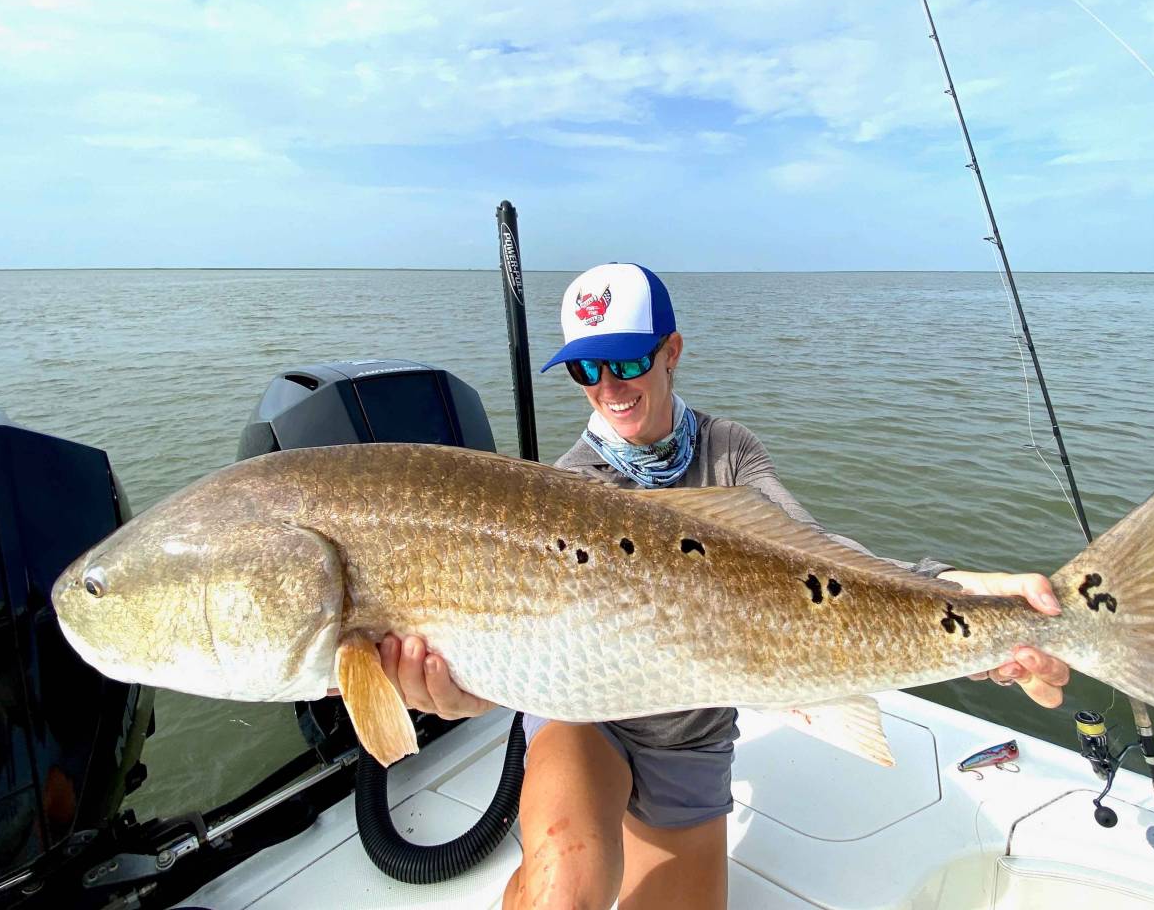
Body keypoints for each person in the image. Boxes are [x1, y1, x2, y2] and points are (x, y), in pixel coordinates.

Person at [376, 263, 1072, 910]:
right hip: (586, 719)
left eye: (625, 360)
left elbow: (818, 555)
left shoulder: (727, 449)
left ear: (671, 350)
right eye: (585, 367)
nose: (608, 385)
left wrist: (959, 591)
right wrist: (461, 693)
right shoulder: (565, 493)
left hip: (691, 736)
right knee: (563, 882)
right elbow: (510, 648)